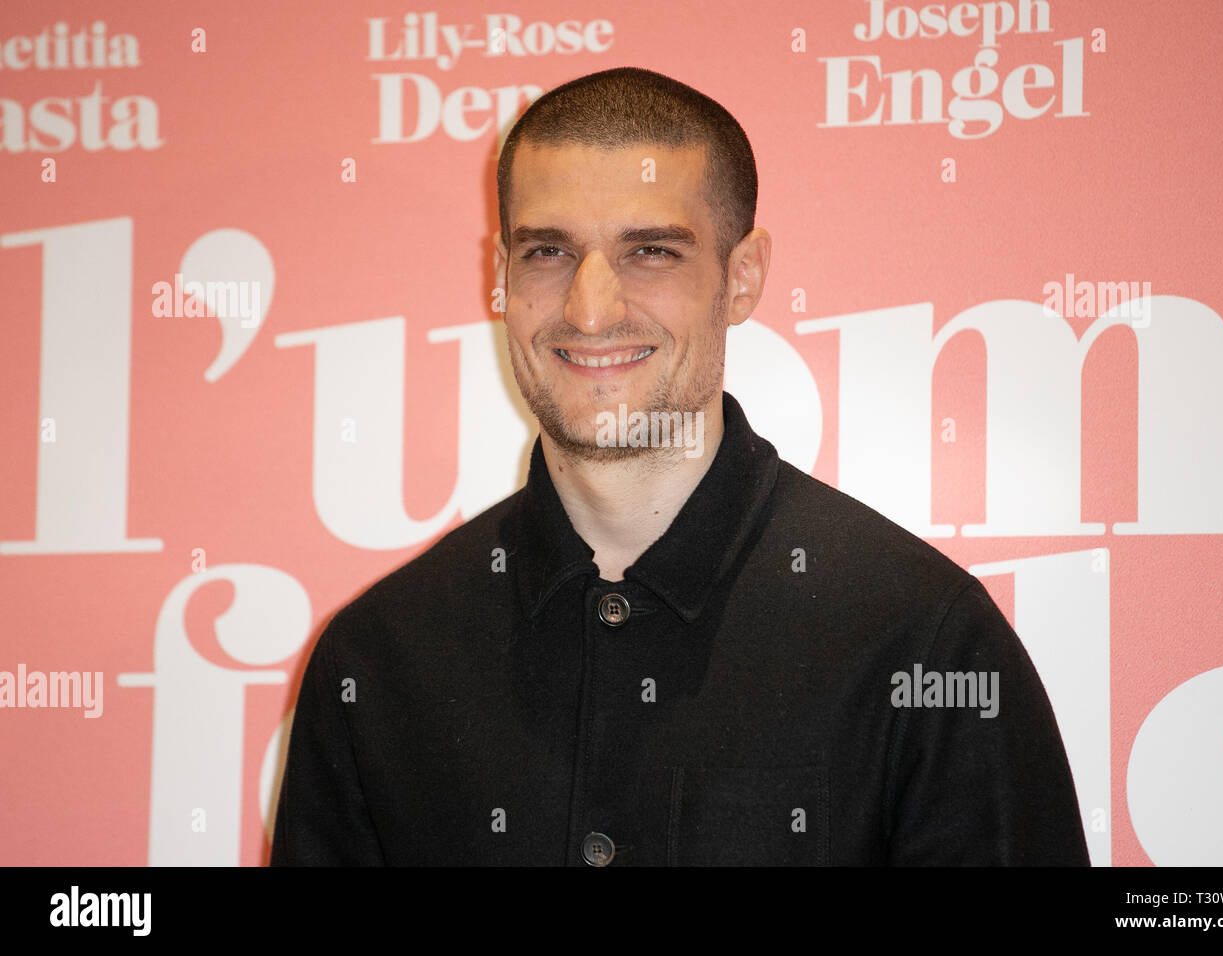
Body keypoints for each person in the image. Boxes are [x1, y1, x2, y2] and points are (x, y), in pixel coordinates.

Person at [271, 66, 1089, 866]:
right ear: (500, 276)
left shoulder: (926, 644)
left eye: (651, 252)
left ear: (743, 278)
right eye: (548, 251)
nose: (591, 309)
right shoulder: (377, 661)